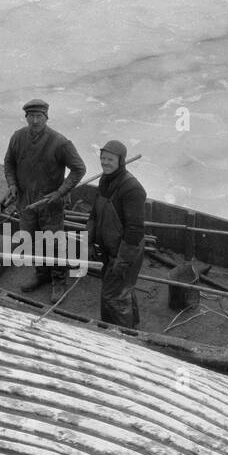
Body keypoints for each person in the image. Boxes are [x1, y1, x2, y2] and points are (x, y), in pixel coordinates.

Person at [2, 98, 86, 303]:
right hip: (26, 204)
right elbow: (8, 163)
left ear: (46, 118)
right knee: (33, 240)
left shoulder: (60, 142)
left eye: (39, 116)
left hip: (50, 205)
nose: (35, 121)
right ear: (26, 118)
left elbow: (79, 169)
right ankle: (42, 274)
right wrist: (12, 184)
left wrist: (61, 191)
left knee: (54, 243)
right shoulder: (17, 137)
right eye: (31, 116)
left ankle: (58, 280)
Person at [87, 140, 146, 329]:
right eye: (103, 158)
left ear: (121, 161)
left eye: (110, 159)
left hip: (125, 252)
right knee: (122, 291)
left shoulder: (132, 189)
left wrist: (122, 260)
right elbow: (94, 214)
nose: (105, 162)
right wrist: (88, 242)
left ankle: (123, 338)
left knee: (112, 297)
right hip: (109, 249)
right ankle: (133, 325)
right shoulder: (105, 180)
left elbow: (134, 230)